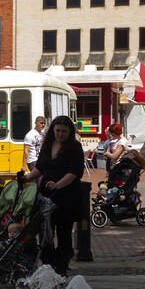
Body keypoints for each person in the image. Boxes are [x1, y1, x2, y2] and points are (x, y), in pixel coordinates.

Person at [27, 114, 85, 275]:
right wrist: (26, 178)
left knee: (63, 232)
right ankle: (48, 263)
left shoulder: (74, 147)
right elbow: (40, 168)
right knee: (45, 230)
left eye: (64, 131)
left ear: (69, 132)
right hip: (47, 195)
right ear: (52, 130)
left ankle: (61, 265)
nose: (60, 134)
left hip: (66, 196)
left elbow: (74, 172)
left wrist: (58, 185)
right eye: (57, 130)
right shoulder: (48, 145)